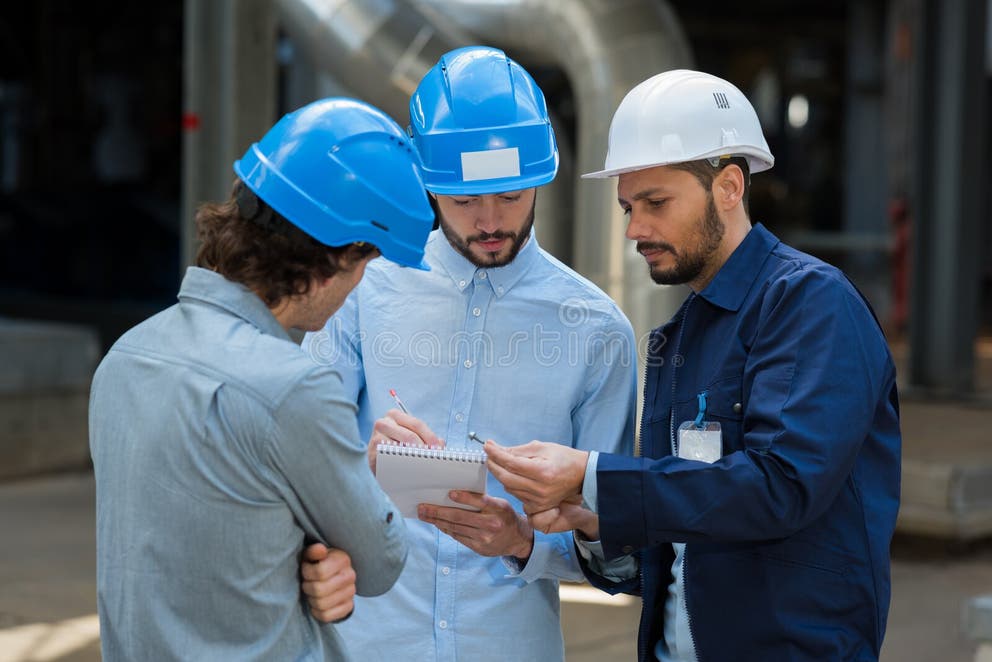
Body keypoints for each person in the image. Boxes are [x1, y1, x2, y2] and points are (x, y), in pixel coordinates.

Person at [485, 69, 902, 661]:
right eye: (628, 207)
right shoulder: (681, 336)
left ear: (729, 187)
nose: (635, 229)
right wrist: (591, 522)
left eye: (656, 203)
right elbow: (681, 549)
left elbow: (781, 488)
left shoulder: (811, 304)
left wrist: (593, 476)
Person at [300, 46, 637, 661]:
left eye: (510, 196)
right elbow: (294, 474)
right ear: (428, 185)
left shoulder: (596, 331)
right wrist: (359, 465)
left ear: (539, 177)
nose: (489, 221)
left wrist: (522, 543)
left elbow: (616, 550)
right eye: (464, 200)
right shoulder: (359, 293)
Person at [88, 97, 436, 660]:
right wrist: (352, 497)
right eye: (367, 264)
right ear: (335, 258)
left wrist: (316, 532)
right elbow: (380, 562)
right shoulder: (293, 389)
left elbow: (211, 533)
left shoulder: (127, 357)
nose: (360, 285)